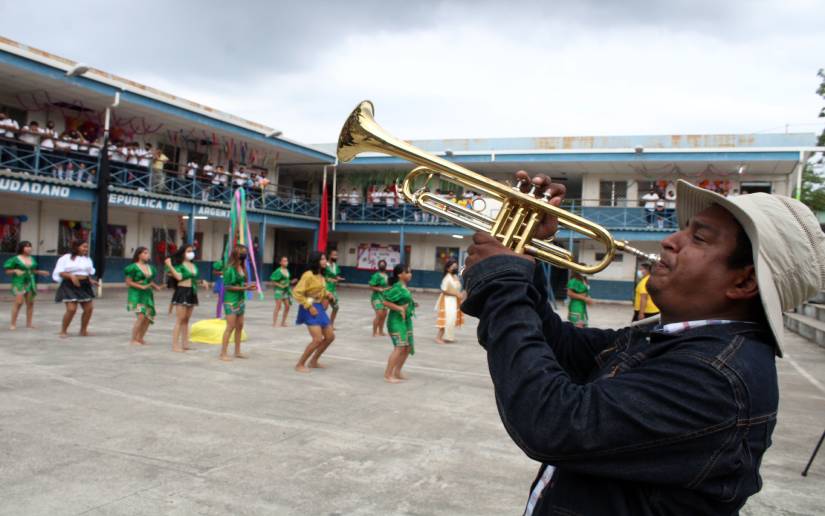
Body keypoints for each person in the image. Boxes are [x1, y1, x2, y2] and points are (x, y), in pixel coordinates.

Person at [459, 171, 825, 515]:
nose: (670, 241)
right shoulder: (682, 341)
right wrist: (523, 249)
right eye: (684, 229)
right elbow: (562, 346)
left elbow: (552, 422)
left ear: (744, 283)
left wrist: (503, 281)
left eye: (698, 238)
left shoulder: (714, 378)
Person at [293, 251, 336, 372]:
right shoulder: (308, 275)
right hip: (309, 308)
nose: (325, 262)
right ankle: (300, 364)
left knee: (330, 336)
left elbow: (320, 291)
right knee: (317, 339)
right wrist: (309, 306)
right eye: (322, 259)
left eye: (325, 259)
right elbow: (297, 292)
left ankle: (314, 361)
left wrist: (328, 294)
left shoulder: (320, 276)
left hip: (319, 307)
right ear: (315, 261)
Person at [52, 239, 97, 338]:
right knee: (71, 309)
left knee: (89, 308)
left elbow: (86, 272)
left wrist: (90, 280)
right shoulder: (66, 258)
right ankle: (63, 330)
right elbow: (60, 272)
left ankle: (83, 329)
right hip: (70, 284)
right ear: (77, 247)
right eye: (84, 246)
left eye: (86, 247)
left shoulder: (87, 259)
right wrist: (71, 276)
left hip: (84, 285)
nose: (86, 249)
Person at [165, 244, 206, 352]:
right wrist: (170, 265)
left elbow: (193, 279)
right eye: (188, 251)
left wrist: (201, 281)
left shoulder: (193, 265)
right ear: (183, 252)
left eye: (192, 251)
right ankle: (175, 345)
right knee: (180, 319)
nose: (191, 253)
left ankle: (185, 344)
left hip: (192, 292)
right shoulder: (179, 265)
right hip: (182, 291)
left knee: (186, 320)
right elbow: (178, 277)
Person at [220, 245, 256, 361]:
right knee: (230, 327)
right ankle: (223, 353)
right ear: (236, 254)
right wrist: (244, 289)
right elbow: (227, 286)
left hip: (240, 300)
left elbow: (240, 283)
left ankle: (237, 351)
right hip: (231, 301)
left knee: (240, 326)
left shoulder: (242, 267)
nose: (245, 254)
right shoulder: (230, 268)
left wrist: (247, 285)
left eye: (245, 252)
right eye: (243, 252)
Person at [4, 241, 49, 330]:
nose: (29, 248)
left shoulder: (32, 259)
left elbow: (32, 271)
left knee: (30, 303)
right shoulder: (15, 259)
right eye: (26, 246)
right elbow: (7, 271)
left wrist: (41, 272)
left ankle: (29, 323)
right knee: (19, 302)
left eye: (30, 246)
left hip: (30, 281)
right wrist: (15, 271)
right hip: (19, 282)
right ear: (21, 248)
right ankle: (13, 324)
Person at [382, 264, 415, 383]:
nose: (410, 274)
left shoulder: (404, 286)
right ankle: (388, 374)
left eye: (410, 272)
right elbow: (385, 301)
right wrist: (399, 308)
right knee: (399, 346)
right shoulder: (397, 287)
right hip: (396, 320)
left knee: (407, 347)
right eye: (408, 272)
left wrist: (412, 304)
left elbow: (403, 300)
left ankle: (397, 371)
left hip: (406, 320)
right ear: (400, 274)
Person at [124, 247, 162, 346]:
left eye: (148, 253)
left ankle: (140, 338)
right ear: (139, 255)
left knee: (148, 317)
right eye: (145, 253)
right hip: (136, 294)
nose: (147, 255)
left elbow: (149, 281)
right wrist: (141, 286)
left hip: (147, 294)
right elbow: (128, 283)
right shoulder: (133, 267)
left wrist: (155, 286)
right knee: (141, 316)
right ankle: (133, 340)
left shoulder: (150, 268)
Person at [435, 258, 464, 343]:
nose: (455, 268)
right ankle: (438, 337)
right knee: (446, 319)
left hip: (454, 301)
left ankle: (447, 337)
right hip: (447, 301)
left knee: (452, 319)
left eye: (456, 266)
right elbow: (444, 291)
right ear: (448, 268)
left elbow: (457, 288)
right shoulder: (447, 277)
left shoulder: (454, 276)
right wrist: (456, 294)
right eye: (453, 267)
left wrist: (459, 294)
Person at [324, 249, 345, 328]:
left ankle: (331, 324)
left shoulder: (336, 266)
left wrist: (339, 278)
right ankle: (317, 322)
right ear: (329, 255)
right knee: (324, 308)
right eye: (334, 255)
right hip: (326, 288)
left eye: (336, 255)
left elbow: (335, 276)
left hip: (333, 289)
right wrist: (329, 279)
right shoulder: (325, 265)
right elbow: (321, 276)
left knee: (336, 307)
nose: (336, 256)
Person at [270, 256, 293, 327]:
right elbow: (272, 280)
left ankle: (283, 322)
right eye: (284, 261)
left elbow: (286, 280)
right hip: (279, 291)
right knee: (278, 306)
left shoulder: (287, 270)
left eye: (286, 261)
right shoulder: (278, 271)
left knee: (287, 306)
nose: (286, 262)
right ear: (280, 262)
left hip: (286, 291)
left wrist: (291, 282)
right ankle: (274, 322)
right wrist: (280, 285)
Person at [368, 259, 389, 337]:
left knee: (384, 314)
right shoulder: (376, 275)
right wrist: (378, 289)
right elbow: (371, 286)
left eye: (383, 264)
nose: (382, 265)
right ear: (378, 266)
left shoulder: (386, 275)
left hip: (384, 297)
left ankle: (381, 331)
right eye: (381, 264)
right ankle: (374, 332)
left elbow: (386, 286)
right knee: (379, 314)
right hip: (376, 297)